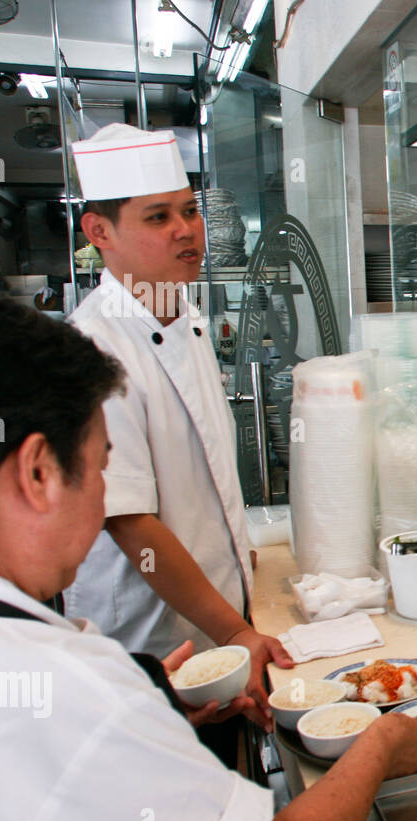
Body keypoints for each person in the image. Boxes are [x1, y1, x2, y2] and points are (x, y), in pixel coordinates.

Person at [0, 299, 417, 821]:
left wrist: (149, 715)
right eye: (101, 466)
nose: (106, 495)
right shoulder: (72, 692)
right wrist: (377, 748)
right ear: (38, 473)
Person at [61, 123, 291, 751]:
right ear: (99, 233)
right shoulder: (94, 347)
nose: (186, 230)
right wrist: (236, 629)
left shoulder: (184, 317)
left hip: (219, 625)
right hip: (159, 650)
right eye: (158, 217)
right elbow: (130, 522)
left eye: (189, 210)